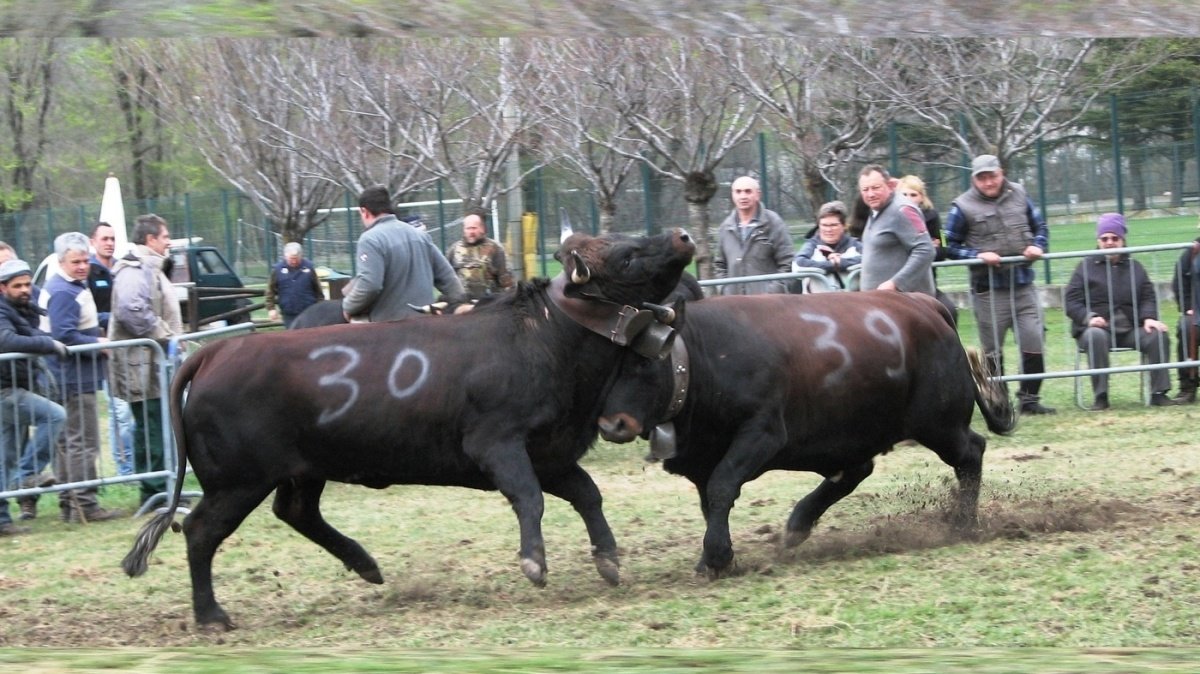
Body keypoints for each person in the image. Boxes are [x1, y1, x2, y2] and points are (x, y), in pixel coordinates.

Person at [944, 154, 1055, 415]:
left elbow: (1041, 226)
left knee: (1033, 341)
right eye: (982, 177)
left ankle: (1030, 399)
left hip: (1023, 284)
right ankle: (998, 403)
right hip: (988, 290)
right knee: (992, 351)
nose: (988, 181)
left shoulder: (1020, 193)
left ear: (1001, 173)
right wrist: (977, 256)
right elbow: (950, 245)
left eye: (992, 175)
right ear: (974, 179)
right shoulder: (961, 206)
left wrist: (1037, 245)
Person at [40, 232, 123, 523]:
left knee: (70, 441)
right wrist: (98, 346)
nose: (82, 266)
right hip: (72, 378)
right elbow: (64, 335)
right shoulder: (63, 290)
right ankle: (84, 504)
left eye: (84, 260)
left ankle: (71, 502)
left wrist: (105, 322)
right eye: (75, 261)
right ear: (61, 261)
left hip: (72, 376)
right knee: (82, 441)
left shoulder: (71, 285)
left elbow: (79, 323)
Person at [109, 214, 184, 507]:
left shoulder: (151, 268)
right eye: (165, 236)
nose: (168, 241)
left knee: (157, 424)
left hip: (153, 363)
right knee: (153, 426)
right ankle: (153, 491)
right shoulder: (134, 270)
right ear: (150, 239)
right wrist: (163, 335)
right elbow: (131, 308)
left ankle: (157, 488)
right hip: (142, 366)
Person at [1065, 213, 1176, 410]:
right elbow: (1071, 300)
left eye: (1115, 238)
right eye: (1104, 238)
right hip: (1098, 330)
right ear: (1098, 241)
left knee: (1157, 335)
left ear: (1123, 240)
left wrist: (1149, 318)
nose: (1109, 243)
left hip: (1131, 329)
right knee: (1094, 337)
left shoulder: (1136, 268)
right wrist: (1088, 318)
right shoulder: (1084, 268)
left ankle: (1159, 393)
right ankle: (1101, 396)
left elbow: (1148, 296)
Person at [0, 259, 67, 532]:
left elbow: (30, 333)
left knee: (6, 455)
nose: (25, 289)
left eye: (28, 284)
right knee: (55, 415)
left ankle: (2, 519)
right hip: (6, 390)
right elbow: (7, 341)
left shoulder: (20, 309)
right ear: (2, 288)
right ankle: (26, 476)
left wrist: (43, 340)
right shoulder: (2, 312)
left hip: (15, 385)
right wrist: (49, 344)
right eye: (18, 286)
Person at [341, 185, 464, 322]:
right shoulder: (420, 235)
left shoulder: (370, 239)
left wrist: (348, 306)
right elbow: (447, 277)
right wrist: (462, 303)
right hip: (426, 326)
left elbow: (370, 285)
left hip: (391, 330)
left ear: (364, 211)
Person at [88, 221, 135, 476]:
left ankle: (135, 463)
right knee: (119, 412)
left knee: (130, 410)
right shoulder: (89, 273)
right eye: (104, 238)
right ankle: (125, 467)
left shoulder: (119, 269)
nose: (109, 242)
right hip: (105, 350)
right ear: (92, 241)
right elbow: (87, 316)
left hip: (128, 349)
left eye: (112, 238)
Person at [857, 165, 936, 296]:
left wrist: (896, 283)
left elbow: (928, 248)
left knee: (950, 310)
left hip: (907, 301)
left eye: (876, 188)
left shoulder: (906, 210)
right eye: (865, 189)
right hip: (879, 302)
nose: (870, 194)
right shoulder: (875, 211)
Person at [713, 176, 794, 295]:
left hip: (767, 305)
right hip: (735, 305)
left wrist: (774, 291)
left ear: (758, 195)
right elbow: (719, 265)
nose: (743, 196)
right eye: (738, 191)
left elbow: (788, 263)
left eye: (748, 191)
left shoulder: (773, 223)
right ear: (733, 195)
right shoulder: (725, 227)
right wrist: (725, 289)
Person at [897, 175, 959, 325]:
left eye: (913, 194)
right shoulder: (891, 217)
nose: (908, 198)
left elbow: (943, 248)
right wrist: (926, 247)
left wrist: (927, 251)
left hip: (927, 284)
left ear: (922, 197)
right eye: (904, 194)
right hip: (898, 286)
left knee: (949, 311)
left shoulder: (932, 216)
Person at [791, 200, 861, 292]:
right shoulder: (811, 245)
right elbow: (800, 261)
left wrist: (842, 262)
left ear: (844, 226)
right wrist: (830, 265)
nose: (828, 229)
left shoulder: (855, 244)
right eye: (824, 225)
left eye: (833, 225)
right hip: (816, 303)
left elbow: (869, 259)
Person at [445, 210, 514, 300]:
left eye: (474, 228)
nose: (471, 232)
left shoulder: (495, 248)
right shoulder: (453, 250)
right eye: (468, 228)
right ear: (463, 230)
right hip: (463, 304)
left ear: (482, 229)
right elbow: (447, 279)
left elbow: (506, 280)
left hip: (489, 304)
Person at [1169, 236, 1200, 404]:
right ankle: (1188, 386)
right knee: (1187, 326)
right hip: (1198, 314)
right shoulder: (1192, 253)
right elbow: (1179, 283)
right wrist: (1187, 306)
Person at [265, 241, 323, 328]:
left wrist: (319, 307)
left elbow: (318, 290)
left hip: (309, 311)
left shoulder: (309, 268)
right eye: (291, 259)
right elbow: (270, 291)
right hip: (289, 312)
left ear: (301, 256)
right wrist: (271, 308)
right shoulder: (277, 270)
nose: (294, 261)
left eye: (296, 258)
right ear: (285, 256)